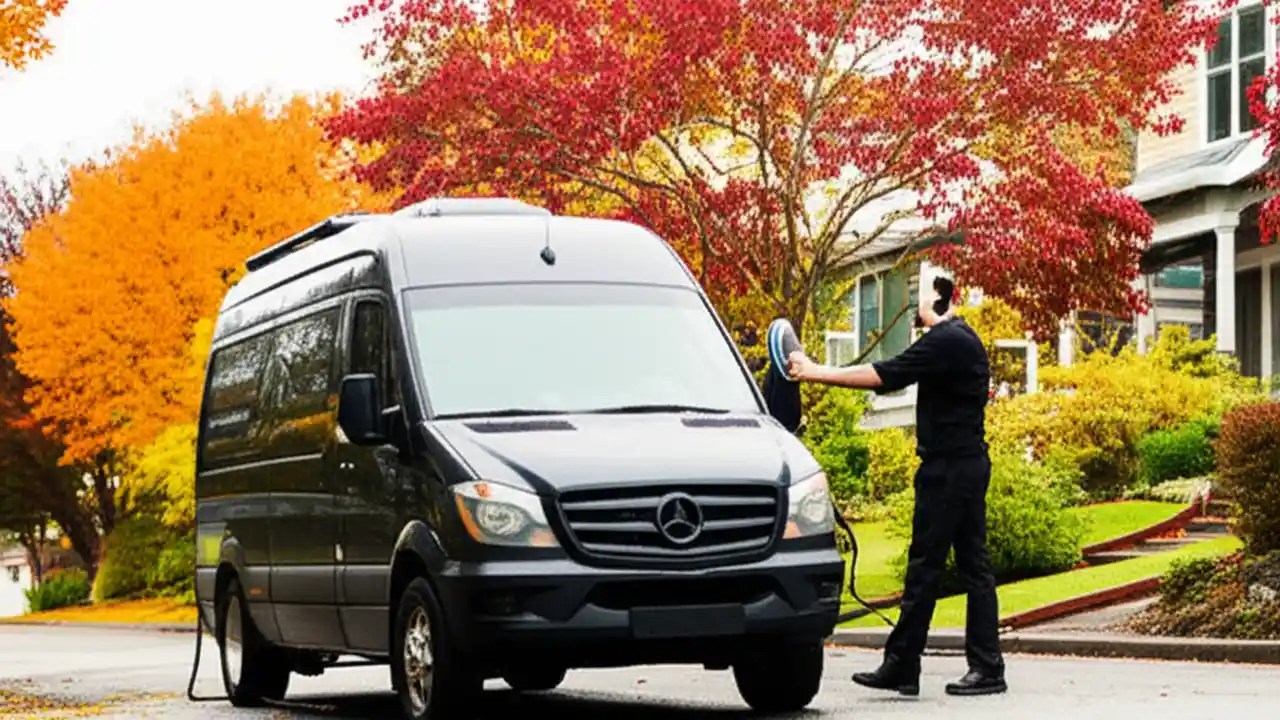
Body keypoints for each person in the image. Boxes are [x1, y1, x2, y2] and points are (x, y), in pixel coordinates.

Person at [786, 276, 1007, 697]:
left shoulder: (947, 340)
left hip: (949, 469)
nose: (913, 307)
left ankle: (913, 664)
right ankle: (967, 664)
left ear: (938, 300)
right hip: (964, 464)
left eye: (918, 298)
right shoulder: (959, 339)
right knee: (972, 566)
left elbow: (886, 374)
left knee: (927, 567)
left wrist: (815, 372)